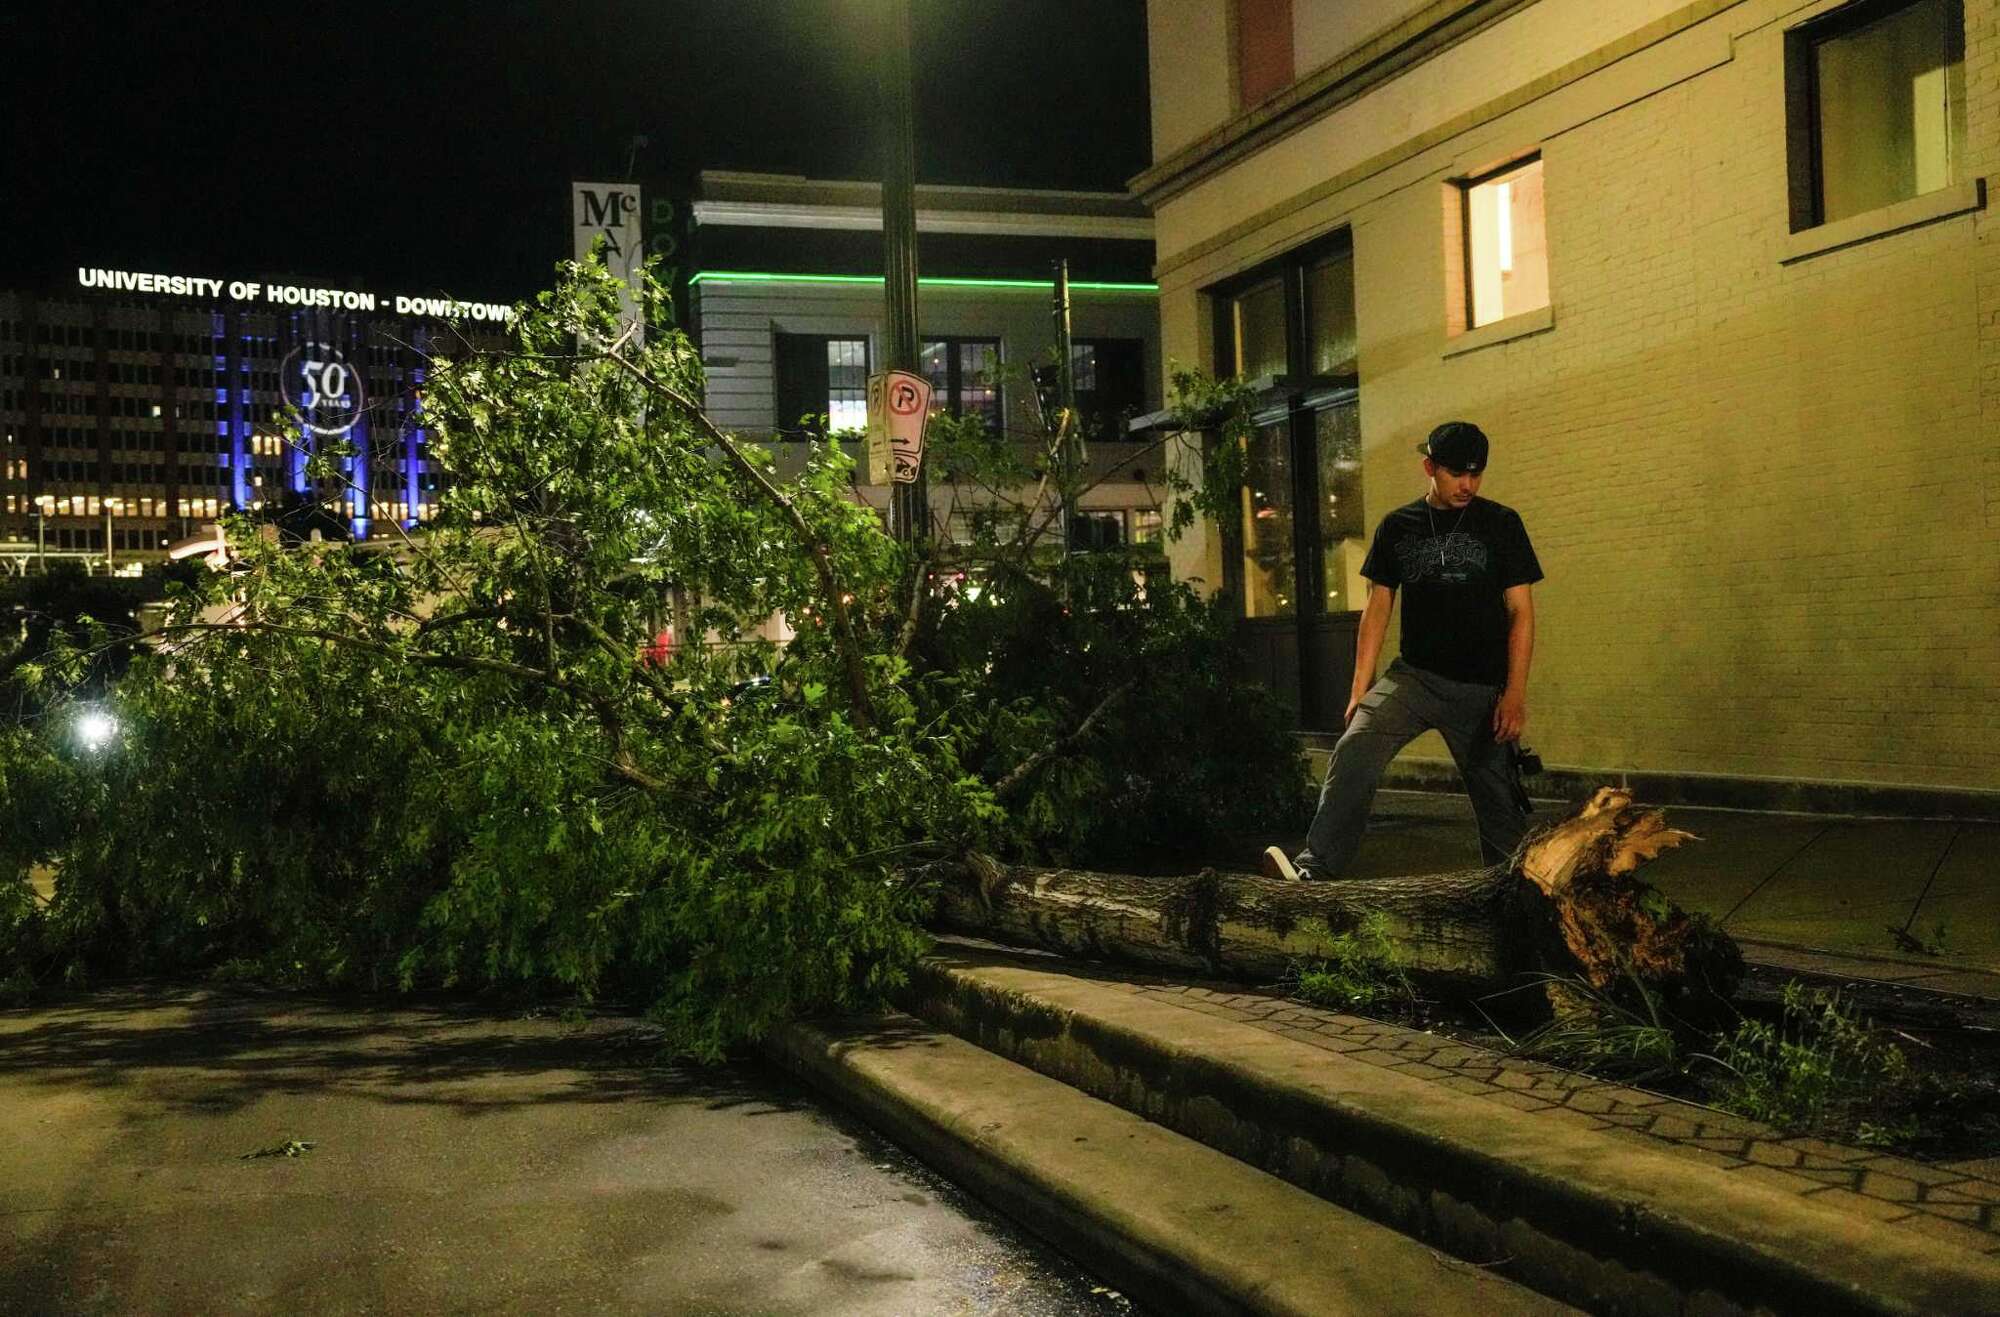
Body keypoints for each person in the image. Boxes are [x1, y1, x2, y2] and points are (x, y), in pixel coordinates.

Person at [1264, 420, 1543, 881]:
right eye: (1457, 474)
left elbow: (1521, 614)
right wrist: (1360, 690)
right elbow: (1377, 610)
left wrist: (1514, 693)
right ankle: (1315, 869)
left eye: (1477, 474)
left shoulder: (1502, 524)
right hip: (1414, 678)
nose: (1468, 485)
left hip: (1481, 689)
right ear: (1430, 467)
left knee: (1500, 807)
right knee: (1354, 749)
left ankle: (1514, 890)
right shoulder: (1399, 526)